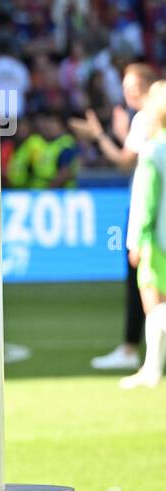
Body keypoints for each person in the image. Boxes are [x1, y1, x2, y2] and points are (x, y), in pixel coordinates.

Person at [70, 62, 158, 371]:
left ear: (149, 85)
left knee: (140, 283)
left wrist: (101, 136)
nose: (128, 92)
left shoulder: (145, 119)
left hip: (147, 210)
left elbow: (125, 162)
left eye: (132, 86)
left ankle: (133, 349)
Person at [120, 81, 166, 388]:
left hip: (157, 241)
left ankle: (151, 369)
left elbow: (144, 202)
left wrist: (134, 240)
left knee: (155, 306)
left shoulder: (152, 152)